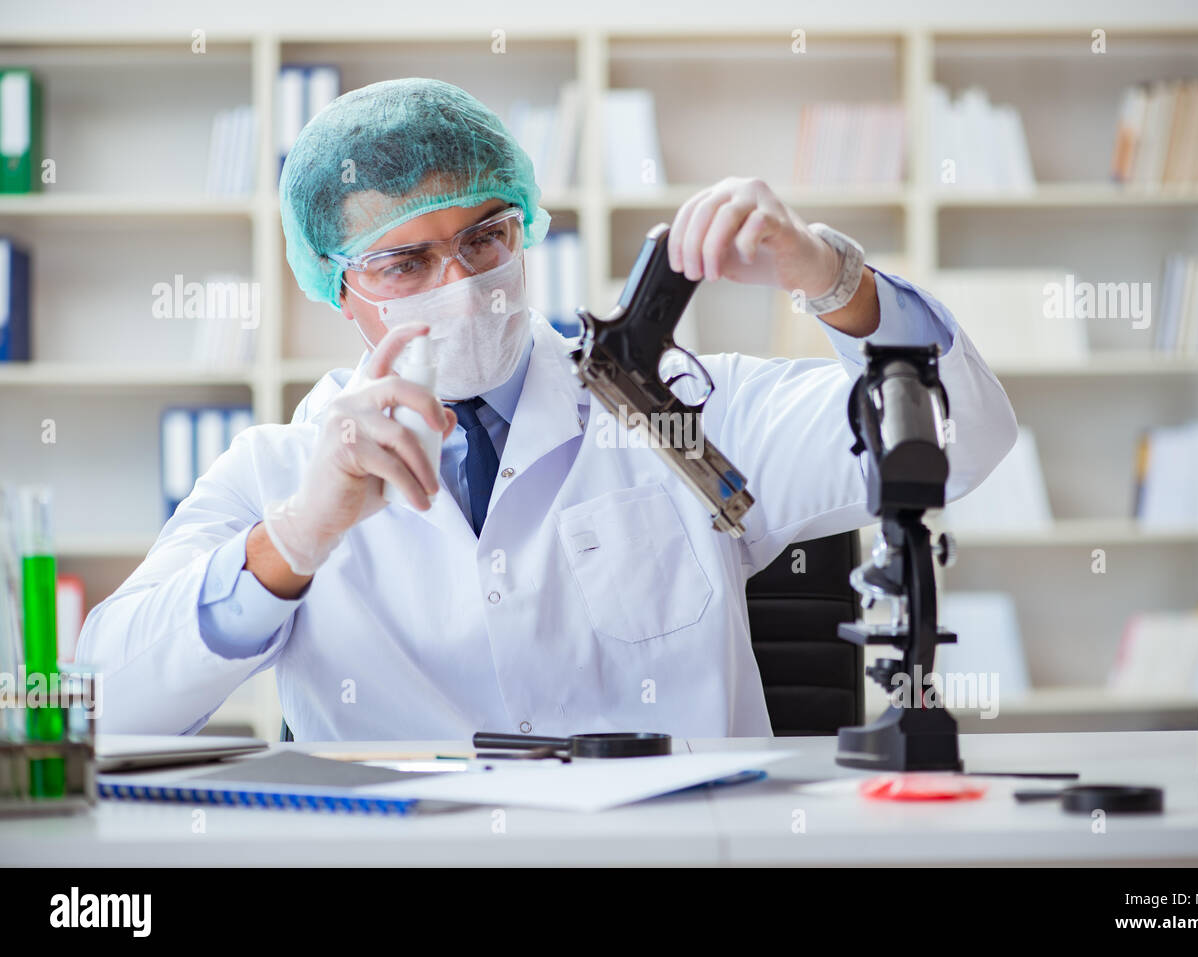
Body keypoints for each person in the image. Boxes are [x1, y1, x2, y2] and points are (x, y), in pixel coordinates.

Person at [76, 78, 1017, 739]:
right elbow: (101, 703)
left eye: (486, 237)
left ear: (524, 228)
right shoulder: (277, 474)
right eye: (407, 261)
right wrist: (294, 542)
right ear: (336, 288)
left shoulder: (681, 403)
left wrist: (832, 277)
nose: (459, 281)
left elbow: (966, 437)